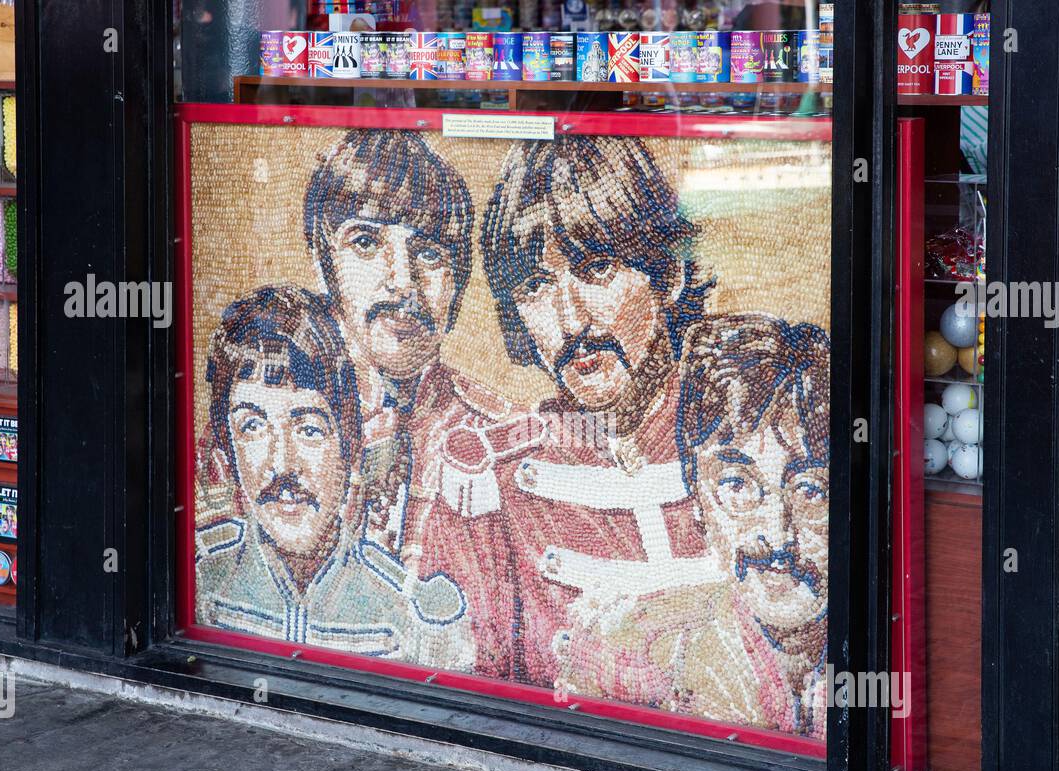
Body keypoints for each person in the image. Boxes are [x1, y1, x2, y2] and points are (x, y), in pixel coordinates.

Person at [479, 136, 719, 685]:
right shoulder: (501, 475)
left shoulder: (740, 433)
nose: (570, 320)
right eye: (536, 286)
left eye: (596, 270)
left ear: (669, 277)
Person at [303, 129, 520, 676]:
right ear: (322, 263)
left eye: (429, 253)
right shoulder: (268, 424)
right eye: (366, 243)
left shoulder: (510, 444)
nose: (403, 283)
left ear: (459, 285)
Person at [554, 316, 831, 738]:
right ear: (697, 501)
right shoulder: (625, 651)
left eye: (810, 491)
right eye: (738, 485)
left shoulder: (890, 659)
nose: (777, 537)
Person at [194, 285, 473, 669]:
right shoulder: (201, 573)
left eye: (308, 429)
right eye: (253, 426)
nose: (282, 465)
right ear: (229, 446)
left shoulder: (417, 616)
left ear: (349, 445)